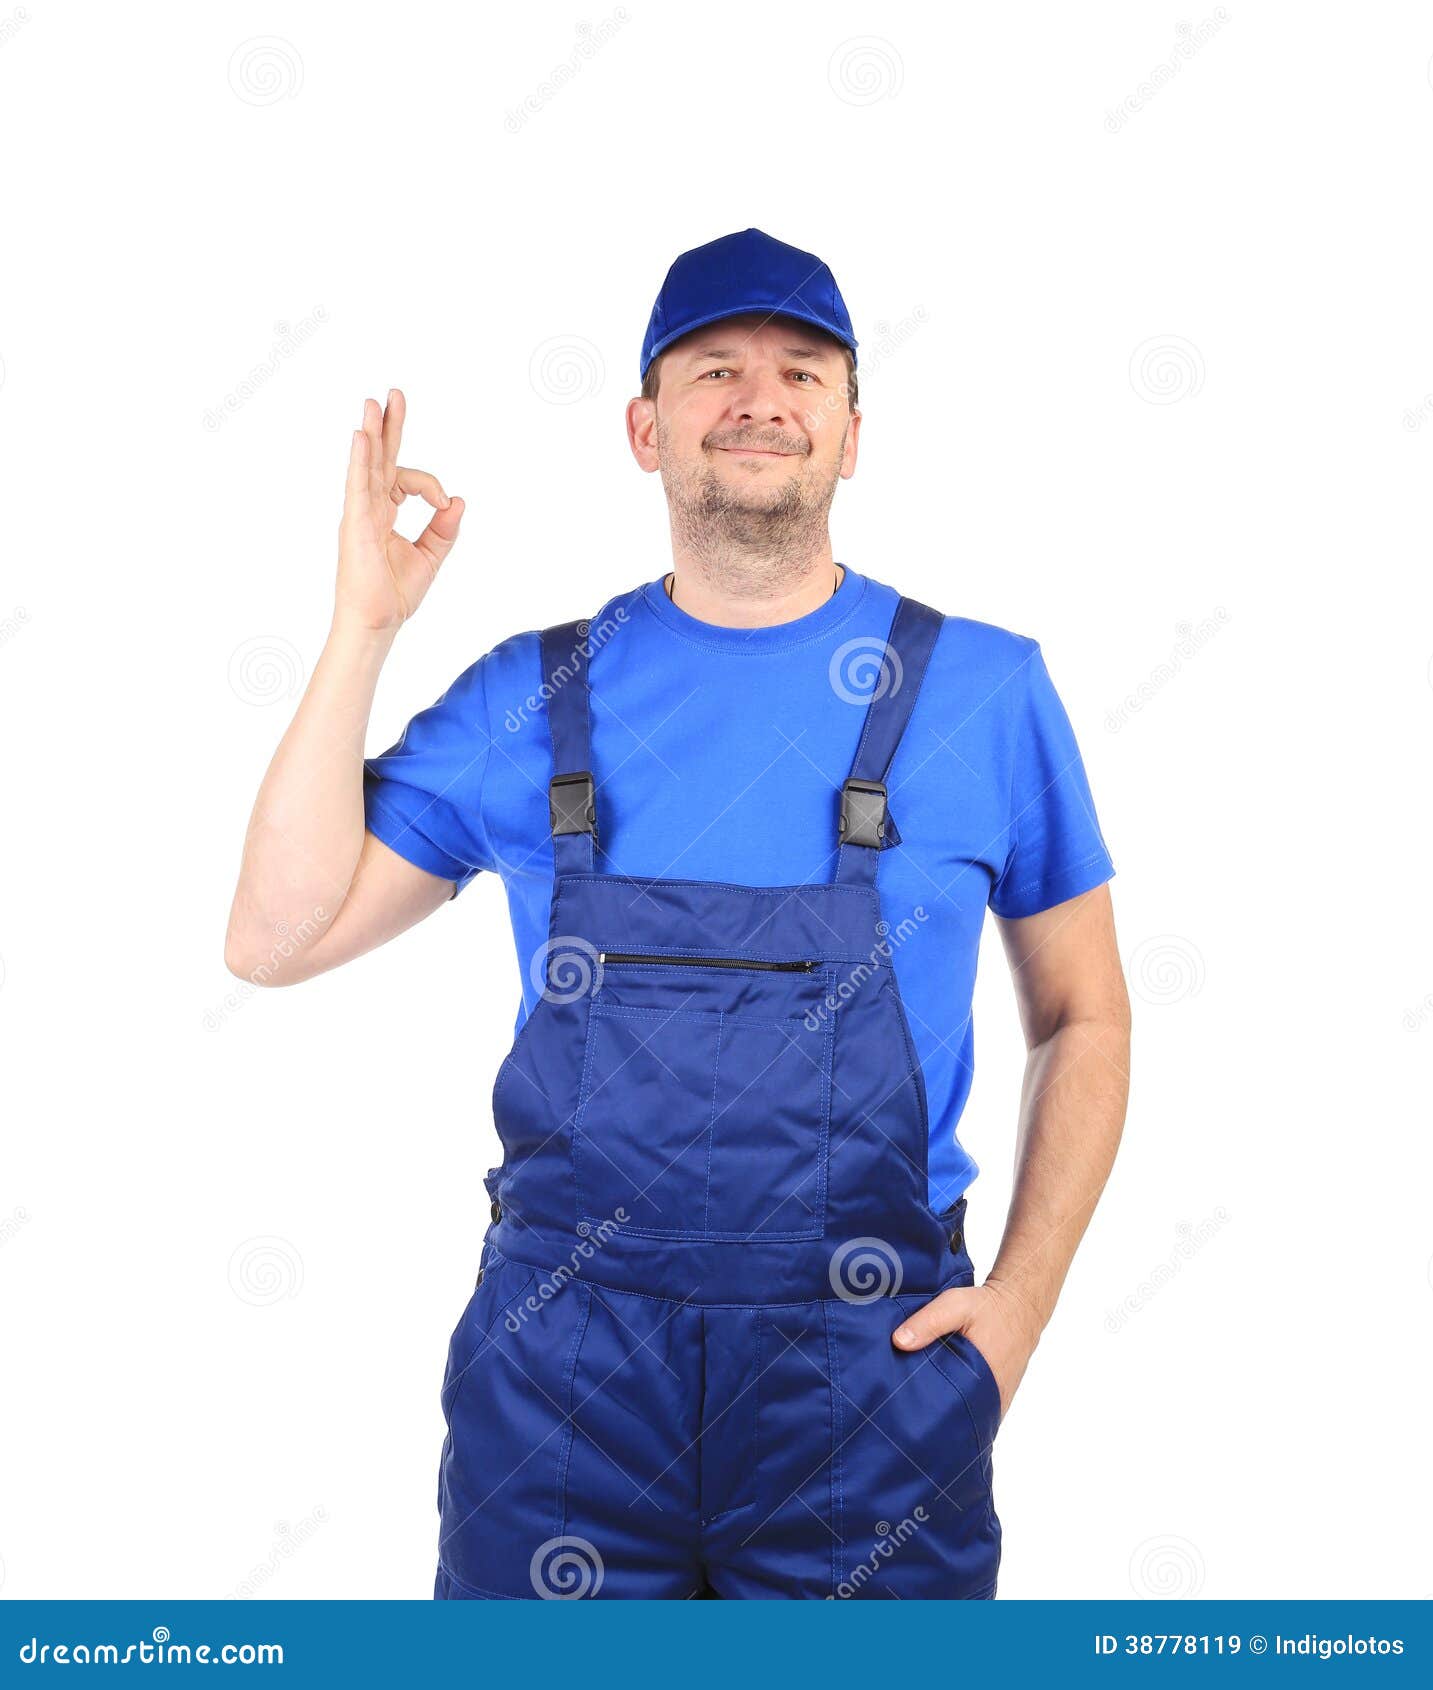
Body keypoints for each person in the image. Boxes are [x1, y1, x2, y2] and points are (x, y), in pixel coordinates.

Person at [224, 228, 1132, 1600]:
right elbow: (271, 939)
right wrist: (363, 627)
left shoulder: (987, 691)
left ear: (852, 434)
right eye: (714, 370)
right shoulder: (532, 696)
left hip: (872, 1383)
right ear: (645, 429)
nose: (760, 398)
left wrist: (1020, 1307)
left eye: (802, 372)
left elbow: (1086, 1014)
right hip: (564, 1396)